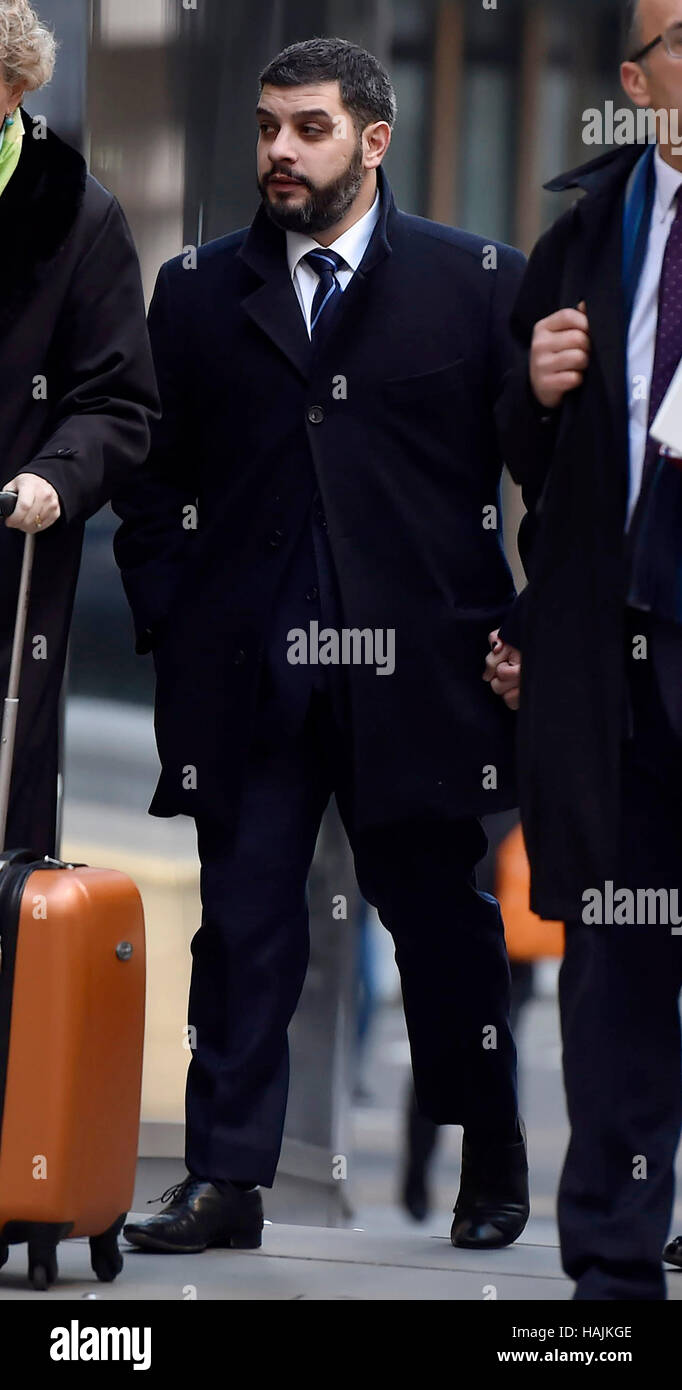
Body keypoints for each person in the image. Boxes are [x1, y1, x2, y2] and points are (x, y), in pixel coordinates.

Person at [114, 36, 529, 1257]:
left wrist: (520, 626)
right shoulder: (195, 291)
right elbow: (152, 481)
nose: (279, 153)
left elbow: (543, 469)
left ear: (374, 139)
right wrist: (172, 616)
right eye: (265, 129)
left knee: (443, 926)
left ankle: (488, 1150)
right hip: (251, 677)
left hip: (424, 676)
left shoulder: (475, 283)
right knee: (242, 925)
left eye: (307, 129)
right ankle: (226, 1180)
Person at [488, 0, 682, 1301]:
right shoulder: (585, 234)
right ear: (637, 78)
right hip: (607, 672)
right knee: (611, 959)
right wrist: (534, 387)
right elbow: (529, 466)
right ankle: (613, 1261)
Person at [0, 0, 157, 856]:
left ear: (15, 85)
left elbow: (119, 400)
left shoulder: (80, 218)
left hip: (8, 572)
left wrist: (56, 475)